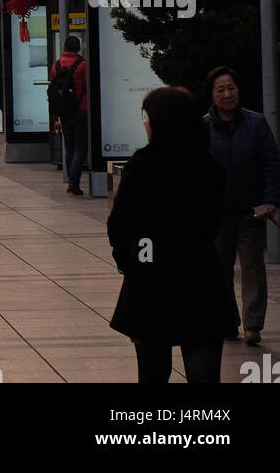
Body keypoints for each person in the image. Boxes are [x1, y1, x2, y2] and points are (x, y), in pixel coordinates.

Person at [107, 86, 235, 384]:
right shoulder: (211, 169)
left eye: (147, 116)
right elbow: (212, 225)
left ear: (162, 121)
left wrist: (132, 263)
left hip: (152, 281)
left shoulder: (141, 167)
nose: (145, 123)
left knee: (152, 374)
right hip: (202, 279)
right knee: (204, 374)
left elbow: (122, 227)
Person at [204, 65, 280, 346]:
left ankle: (253, 324)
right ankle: (227, 321)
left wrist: (271, 199)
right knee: (219, 268)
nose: (227, 94)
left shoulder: (256, 123)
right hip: (217, 212)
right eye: (221, 89)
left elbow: (271, 163)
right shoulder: (203, 127)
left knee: (252, 266)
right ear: (212, 95)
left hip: (252, 209)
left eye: (231, 88)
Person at [48, 36, 88, 196]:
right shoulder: (83, 65)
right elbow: (87, 85)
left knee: (69, 146)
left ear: (65, 47)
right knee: (81, 146)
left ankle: (72, 180)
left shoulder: (56, 65)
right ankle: (74, 179)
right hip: (81, 109)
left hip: (64, 111)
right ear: (78, 48)